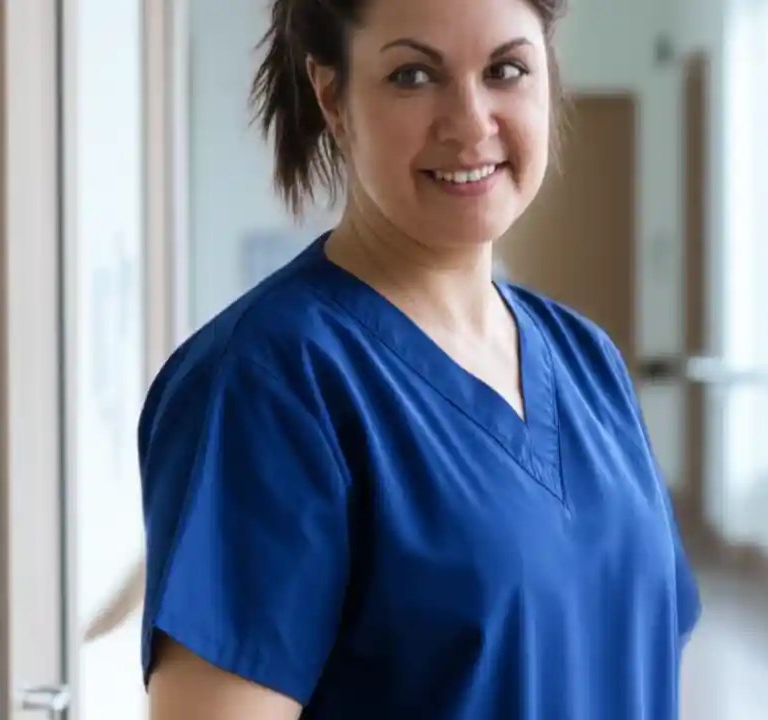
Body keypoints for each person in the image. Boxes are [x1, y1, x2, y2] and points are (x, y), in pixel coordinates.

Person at [137, 0, 702, 717]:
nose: (470, 123)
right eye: (412, 75)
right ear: (334, 96)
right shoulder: (268, 382)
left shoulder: (588, 362)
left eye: (506, 69)